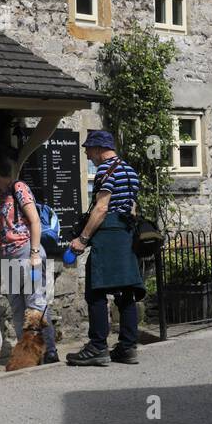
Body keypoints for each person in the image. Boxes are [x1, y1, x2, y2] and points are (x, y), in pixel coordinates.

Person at [66, 130, 145, 366]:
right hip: (125, 234)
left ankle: (97, 347)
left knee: (96, 291)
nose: (88, 155)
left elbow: (101, 208)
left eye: (89, 150)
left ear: (100, 149)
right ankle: (128, 347)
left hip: (108, 235)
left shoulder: (106, 170)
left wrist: (82, 238)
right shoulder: (129, 170)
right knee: (126, 292)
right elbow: (132, 208)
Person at [0, 151, 59, 365]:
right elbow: (9, 224)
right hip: (9, 257)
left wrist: (34, 253)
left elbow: (34, 220)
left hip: (27, 253)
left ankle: (49, 352)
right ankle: (27, 353)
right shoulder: (0, 196)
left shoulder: (19, 188)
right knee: (17, 306)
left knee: (36, 302)